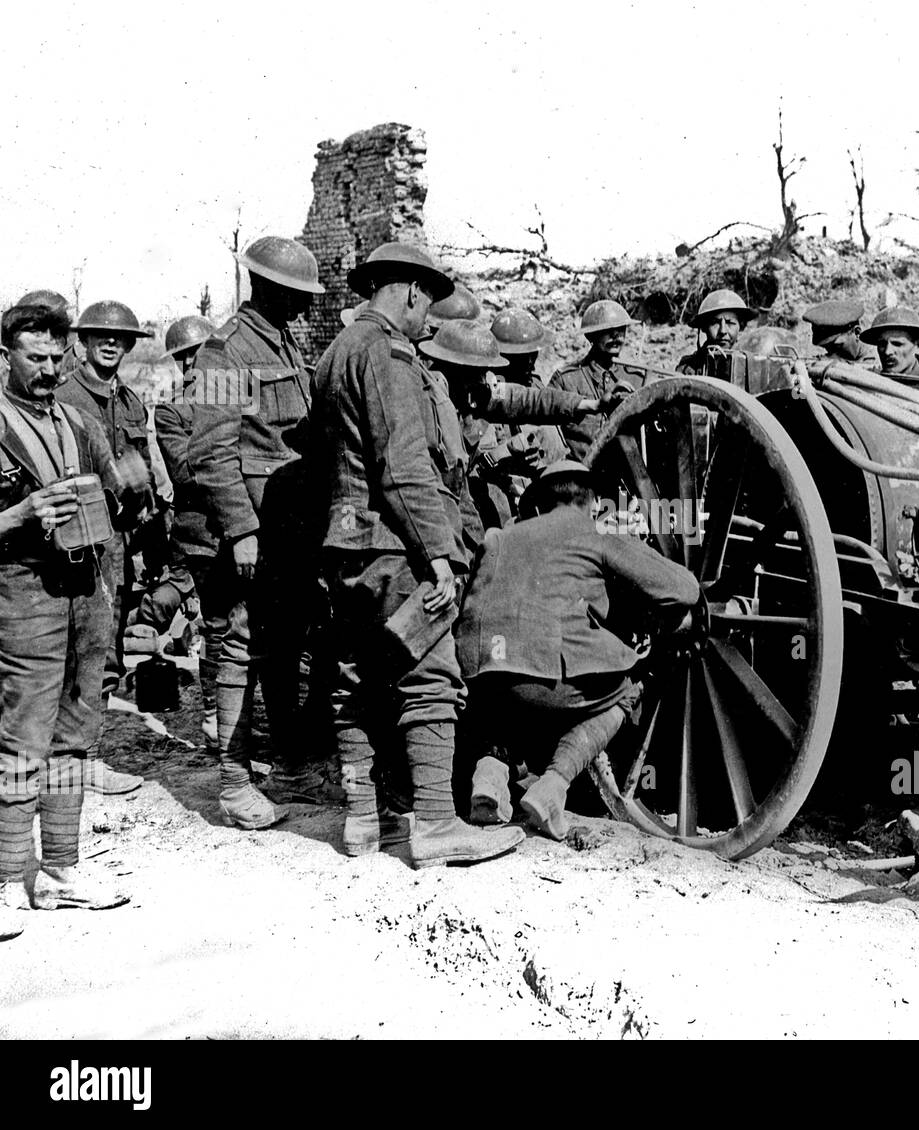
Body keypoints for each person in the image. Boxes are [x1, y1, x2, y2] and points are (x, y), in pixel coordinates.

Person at [311, 242, 525, 865]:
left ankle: (360, 822)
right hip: (392, 546)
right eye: (426, 301)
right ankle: (434, 824)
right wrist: (437, 556)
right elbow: (403, 467)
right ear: (408, 291)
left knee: (355, 678)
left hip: (347, 546)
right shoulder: (387, 353)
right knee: (431, 676)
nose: (426, 315)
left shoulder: (336, 352)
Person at [0, 304, 151, 940]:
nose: (49, 368)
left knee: (74, 730)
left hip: (87, 588)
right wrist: (22, 512)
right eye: (36, 357)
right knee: (21, 737)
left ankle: (61, 870)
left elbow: (127, 491)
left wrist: (132, 483)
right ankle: (9, 881)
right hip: (23, 591)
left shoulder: (80, 418)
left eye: (58, 358)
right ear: (7, 355)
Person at [456, 461, 701, 839]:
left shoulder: (499, 537)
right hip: (549, 677)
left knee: (506, 685)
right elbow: (684, 589)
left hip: (482, 678)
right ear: (592, 502)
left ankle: (489, 775)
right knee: (629, 687)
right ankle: (554, 784)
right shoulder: (596, 531)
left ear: (540, 504)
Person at [189, 235, 327, 828]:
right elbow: (209, 450)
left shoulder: (285, 341)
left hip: (292, 519)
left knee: (284, 637)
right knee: (244, 639)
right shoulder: (225, 352)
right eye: (294, 293)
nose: (302, 304)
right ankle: (234, 781)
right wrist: (242, 531)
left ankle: (290, 765)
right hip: (257, 520)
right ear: (265, 287)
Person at [55, 300, 160, 796]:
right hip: (76, 538)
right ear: (83, 340)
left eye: (120, 337)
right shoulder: (64, 396)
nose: (111, 343)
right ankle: (74, 759)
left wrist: (148, 513)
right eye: (100, 335)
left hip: (117, 542)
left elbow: (140, 473)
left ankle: (86, 757)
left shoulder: (132, 401)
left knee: (106, 647)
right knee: (76, 650)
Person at [417, 320, 612, 541]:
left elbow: (525, 399)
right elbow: (449, 489)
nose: (485, 380)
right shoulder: (428, 406)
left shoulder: (469, 391)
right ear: (454, 368)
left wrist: (588, 404)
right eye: (478, 372)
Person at [151, 315, 220, 747]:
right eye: (188, 357)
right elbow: (185, 471)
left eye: (203, 354)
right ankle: (215, 713)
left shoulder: (238, 398)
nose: (196, 364)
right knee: (218, 628)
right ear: (179, 362)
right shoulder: (171, 409)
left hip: (246, 528)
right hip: (202, 535)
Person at [480, 308, 569, 519]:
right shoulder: (492, 393)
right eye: (522, 357)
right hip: (515, 495)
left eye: (533, 354)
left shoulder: (535, 383)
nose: (531, 362)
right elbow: (485, 460)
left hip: (553, 489)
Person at [549, 300, 646, 460]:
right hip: (582, 477)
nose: (616, 335)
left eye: (621, 329)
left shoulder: (636, 378)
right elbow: (549, 434)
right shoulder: (566, 381)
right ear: (590, 336)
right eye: (608, 330)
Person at [676, 289, 758, 374]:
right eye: (715, 323)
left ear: (741, 326)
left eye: (730, 323)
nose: (723, 331)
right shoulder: (689, 368)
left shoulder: (752, 365)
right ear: (704, 327)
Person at [802, 299, 873, 363]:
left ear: (857, 332)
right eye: (827, 348)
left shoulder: (874, 365)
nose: (832, 355)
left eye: (838, 347)